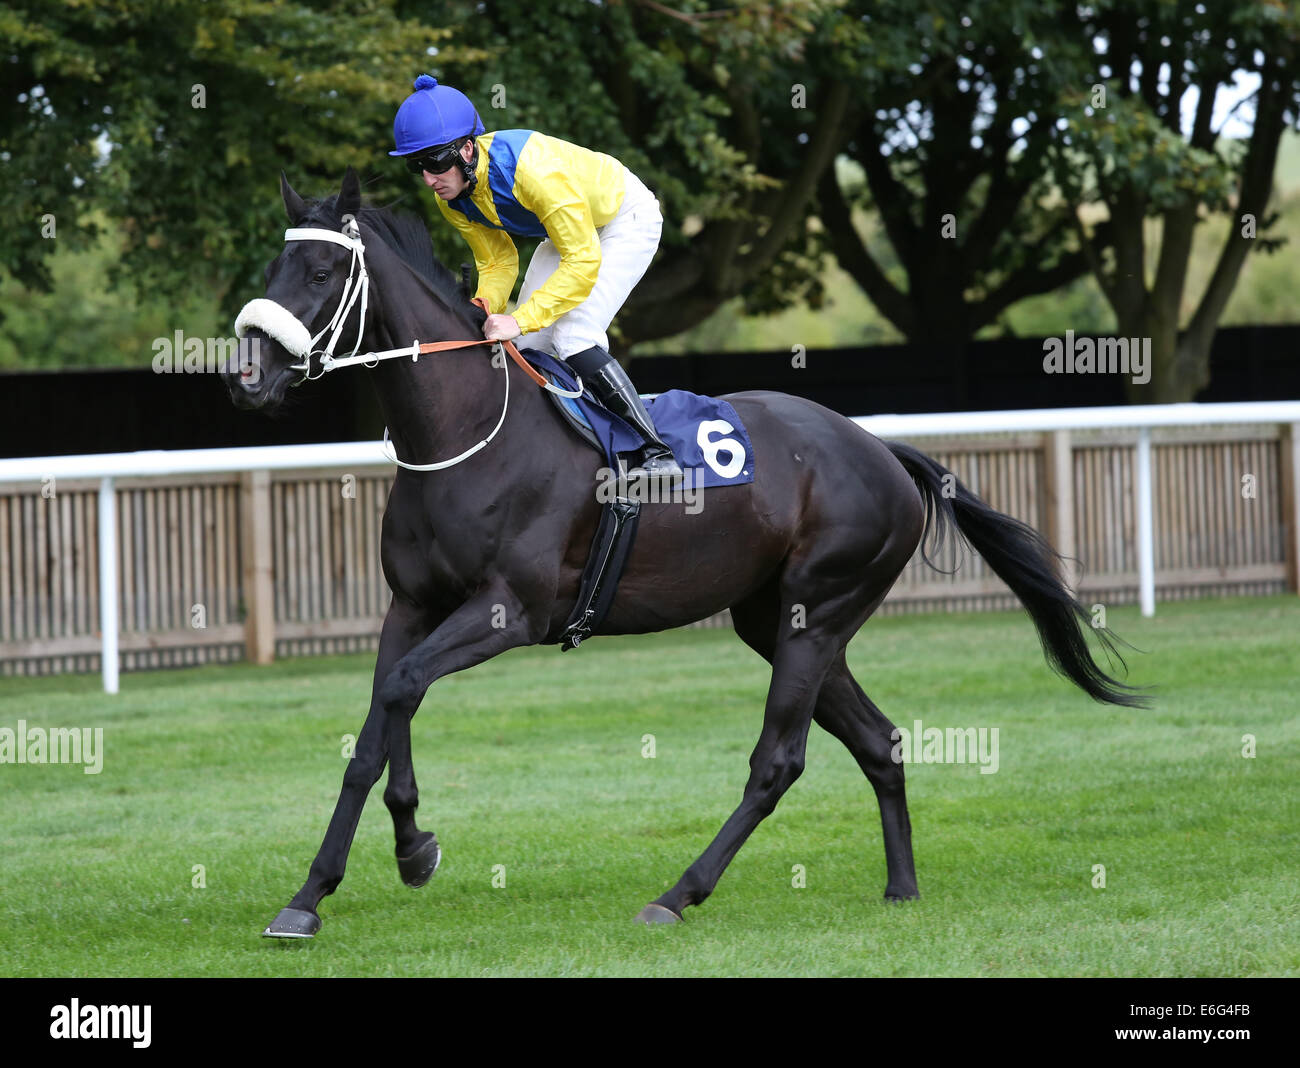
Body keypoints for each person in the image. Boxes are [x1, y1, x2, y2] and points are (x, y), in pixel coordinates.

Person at [390, 74, 682, 483]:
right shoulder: (454, 199)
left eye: (436, 162)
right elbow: (498, 262)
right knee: (524, 345)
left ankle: (656, 450)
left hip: (623, 220)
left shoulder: (532, 171)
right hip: (567, 234)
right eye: (416, 165)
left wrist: (520, 316)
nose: (429, 178)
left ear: (467, 150)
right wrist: (484, 307)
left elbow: (582, 260)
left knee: (574, 335)